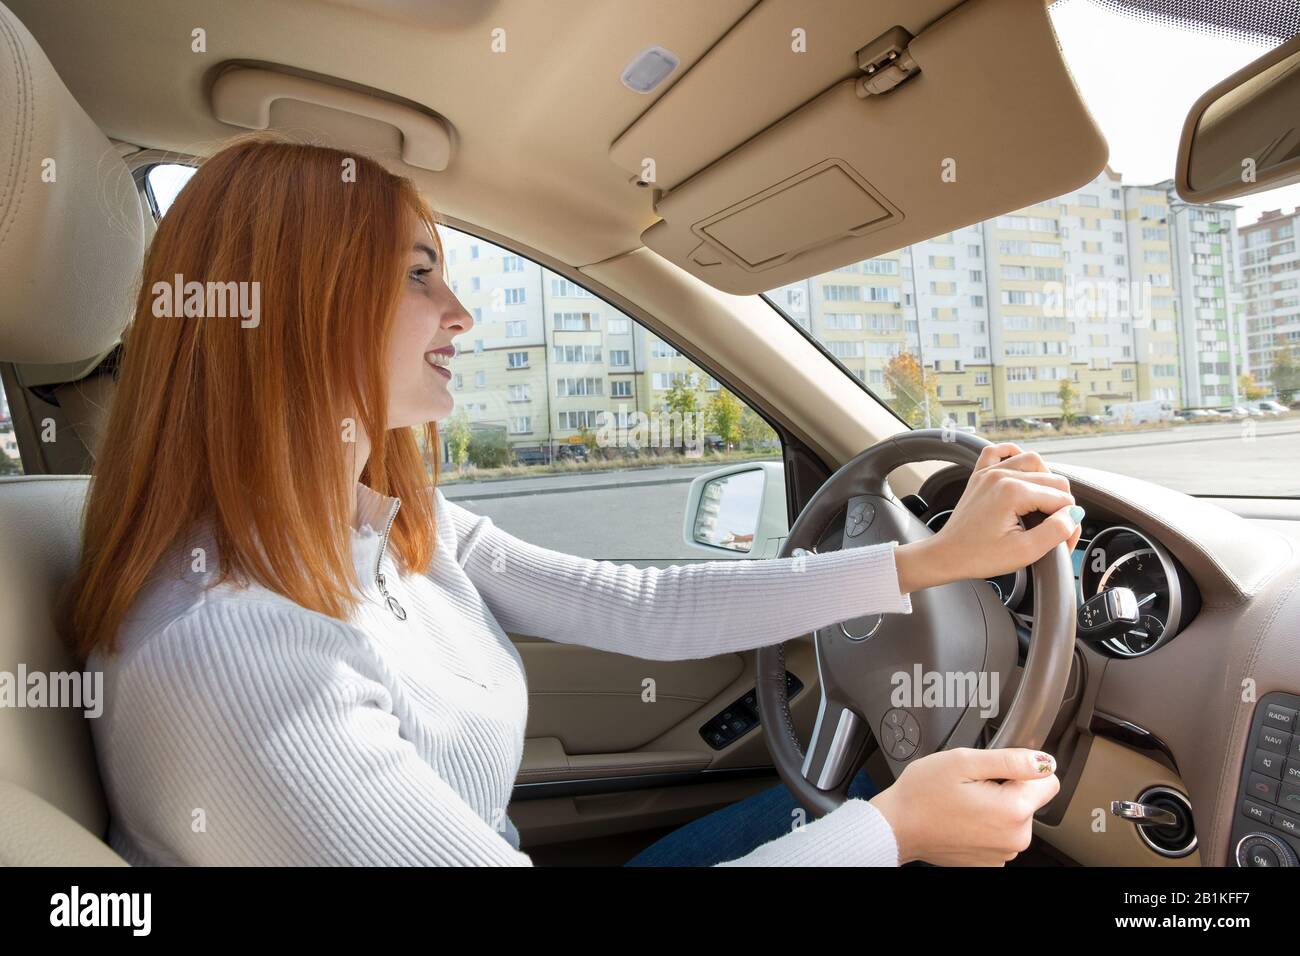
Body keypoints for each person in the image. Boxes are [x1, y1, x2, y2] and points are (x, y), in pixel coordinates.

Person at [68, 136, 1082, 867]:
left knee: (860, 793)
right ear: (298, 300)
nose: (460, 314)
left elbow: (637, 604)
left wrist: (930, 560)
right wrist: (896, 832)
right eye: (421, 274)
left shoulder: (378, 525)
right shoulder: (237, 649)